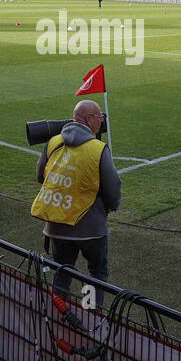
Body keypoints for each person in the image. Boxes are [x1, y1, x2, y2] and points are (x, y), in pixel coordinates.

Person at [33, 100, 122, 306]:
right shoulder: (97, 149)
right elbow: (112, 188)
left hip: (56, 226)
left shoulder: (53, 142)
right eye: (99, 117)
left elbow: (41, 176)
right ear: (89, 119)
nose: (101, 122)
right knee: (96, 272)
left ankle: (59, 313)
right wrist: (112, 206)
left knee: (62, 271)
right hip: (90, 228)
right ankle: (91, 313)